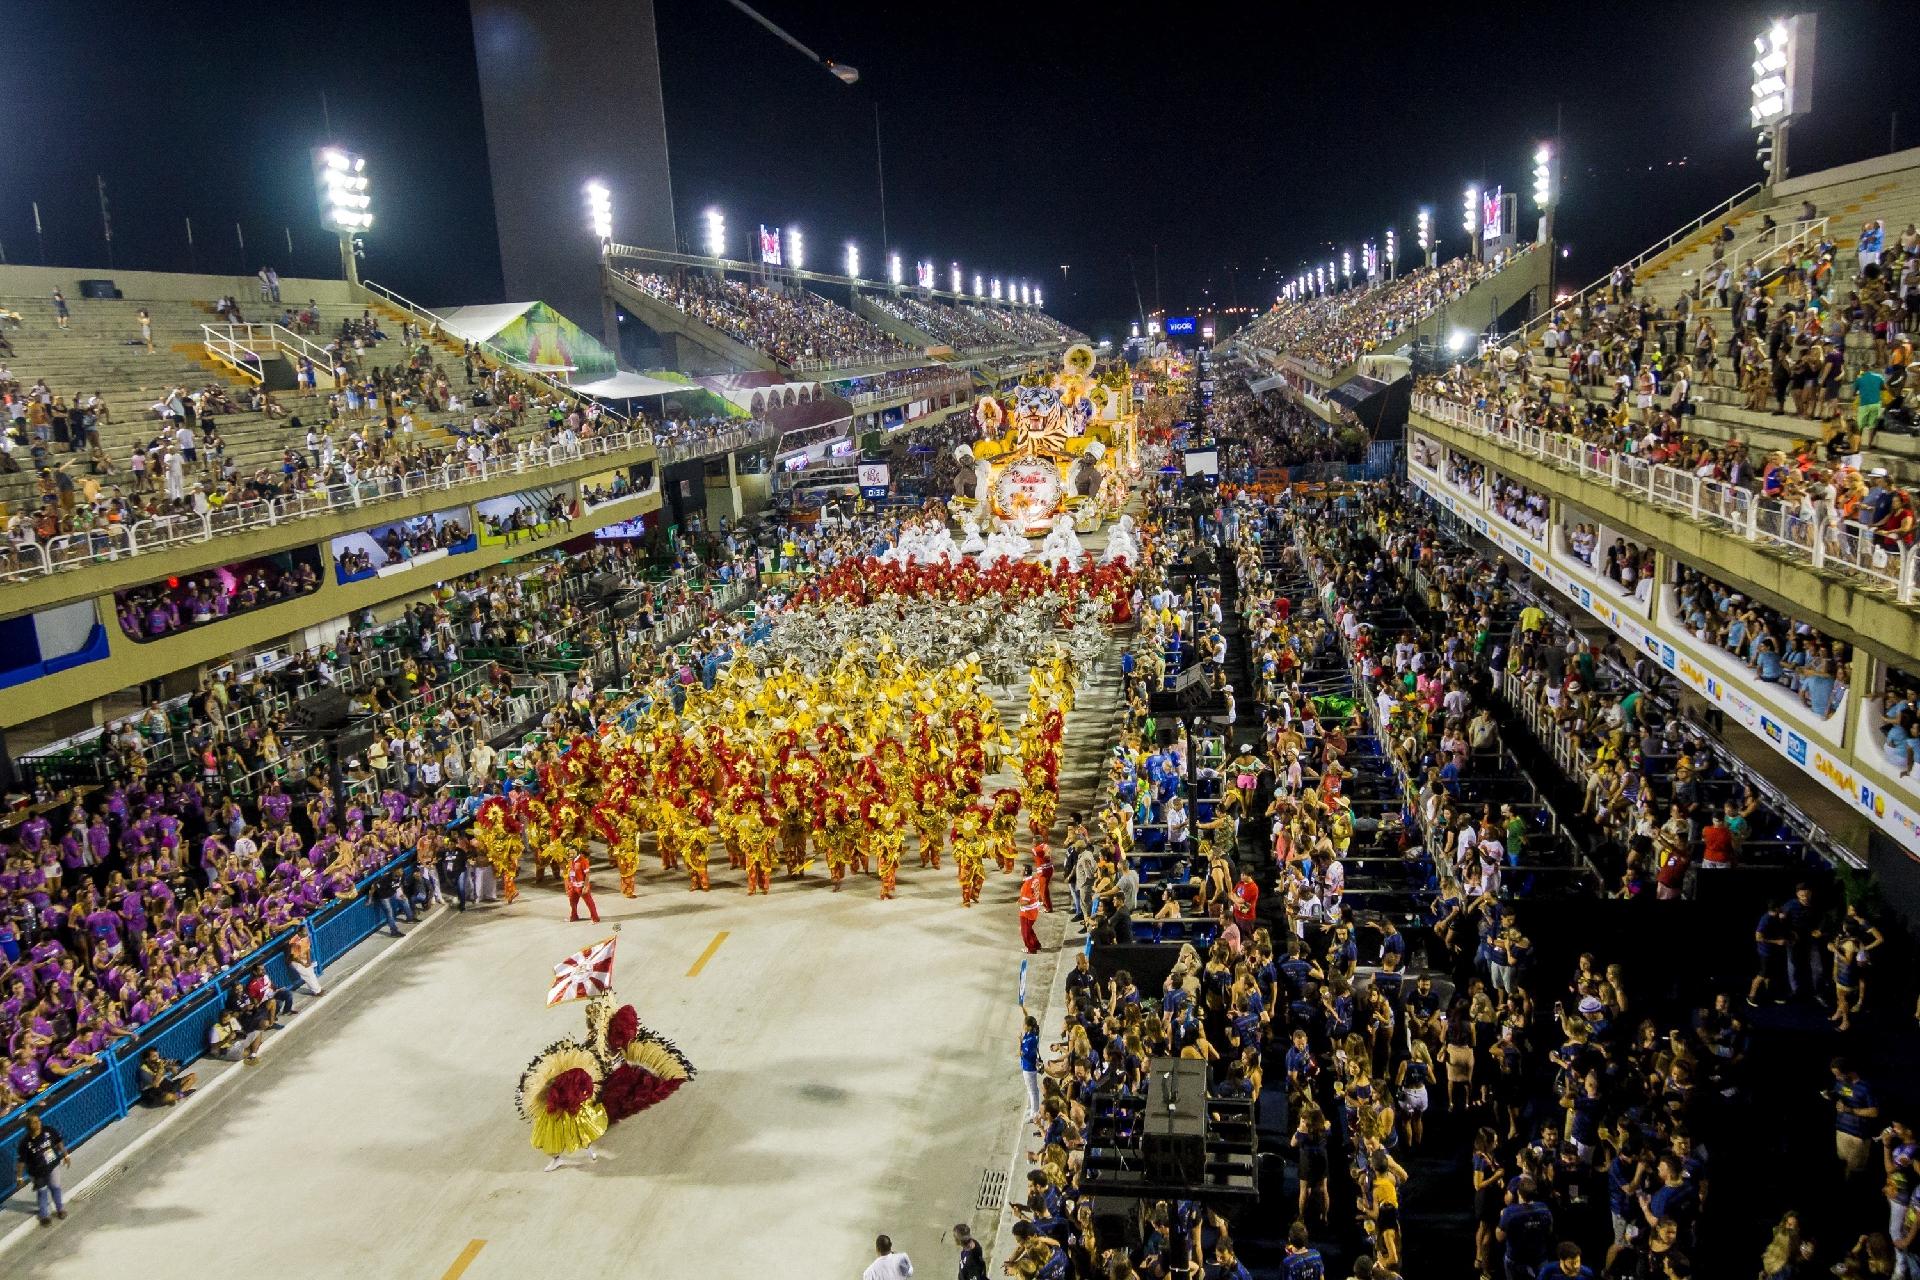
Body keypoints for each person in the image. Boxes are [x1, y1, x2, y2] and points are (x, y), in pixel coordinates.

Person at [14, 1112, 71, 1225]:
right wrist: (19, 1177)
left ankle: (60, 1209)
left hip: (52, 1165)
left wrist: (66, 1155)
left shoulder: (48, 1131)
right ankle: (44, 1215)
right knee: (42, 1191)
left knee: (55, 1187)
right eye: (34, 1122)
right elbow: (21, 1162)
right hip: (37, 1172)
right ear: (29, 1126)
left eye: (39, 1120)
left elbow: (58, 1142)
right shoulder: (25, 1143)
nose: (38, 1123)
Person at [566, 849, 600, 923]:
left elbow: (587, 875)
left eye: (573, 853)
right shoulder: (570, 860)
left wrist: (586, 886)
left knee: (589, 902)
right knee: (572, 902)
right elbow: (570, 873)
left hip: (581, 886)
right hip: (573, 885)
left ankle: (595, 918)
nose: (571, 854)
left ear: (577, 852)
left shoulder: (583, 860)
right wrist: (569, 884)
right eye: (570, 853)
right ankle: (574, 916)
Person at [1020, 1014, 1042, 1123]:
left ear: (1028, 1026)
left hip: (1029, 1068)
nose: (1023, 1025)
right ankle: (1033, 1109)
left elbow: (1024, 1054)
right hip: (1027, 1066)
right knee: (1031, 1090)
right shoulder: (1029, 1034)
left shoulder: (1032, 1039)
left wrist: (1019, 1044)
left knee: (1033, 1091)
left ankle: (1035, 1114)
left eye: (1024, 1024)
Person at [1018, 863, 1043, 954]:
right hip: (1034, 910)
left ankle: (1031, 949)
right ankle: (1036, 945)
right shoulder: (1035, 879)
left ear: (1025, 872)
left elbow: (1026, 902)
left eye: (1021, 870)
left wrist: (1018, 903)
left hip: (1027, 912)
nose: (1019, 871)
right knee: (1029, 929)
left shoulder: (1026, 885)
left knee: (1025, 932)